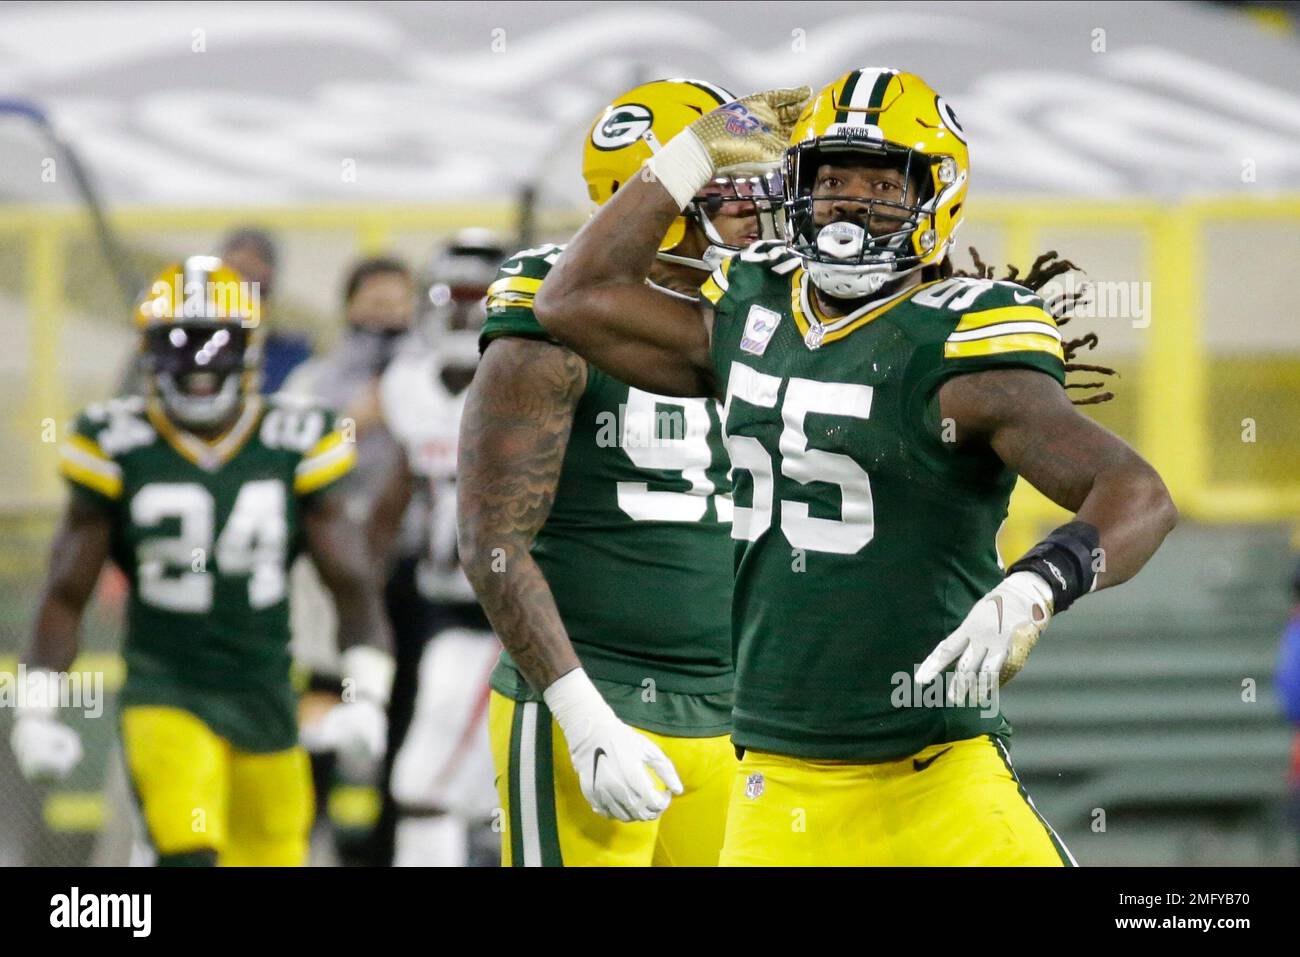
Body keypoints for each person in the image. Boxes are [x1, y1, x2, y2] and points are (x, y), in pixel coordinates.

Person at [531, 68, 1178, 865]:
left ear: (936, 198)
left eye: (883, 184)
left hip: (938, 774)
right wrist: (694, 154)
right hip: (777, 779)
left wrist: (1038, 584)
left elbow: (1138, 493)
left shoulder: (959, 343)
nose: (850, 204)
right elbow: (570, 299)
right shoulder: (752, 304)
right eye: (831, 180)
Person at [456, 78, 779, 866]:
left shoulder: (762, 308)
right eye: (730, 189)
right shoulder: (546, 318)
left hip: (737, 709)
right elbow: (492, 540)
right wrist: (581, 714)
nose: (757, 209)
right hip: (596, 696)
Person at [9, 257, 394, 866]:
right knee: (186, 852)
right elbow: (65, 590)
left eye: (217, 343)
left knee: (273, 857)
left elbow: (350, 582)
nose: (198, 364)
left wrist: (366, 694)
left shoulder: (294, 438)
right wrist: (35, 711)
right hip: (166, 688)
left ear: (251, 347)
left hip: (267, 695)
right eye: (179, 343)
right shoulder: (116, 442)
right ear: (147, 350)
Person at [367, 229, 510, 866]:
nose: (464, 313)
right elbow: (389, 505)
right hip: (443, 613)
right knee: (446, 791)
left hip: (518, 616)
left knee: (431, 784)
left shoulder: (534, 378)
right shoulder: (409, 385)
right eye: (453, 296)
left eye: (478, 297)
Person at [220, 227, 312, 394]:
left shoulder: (291, 350)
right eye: (234, 271)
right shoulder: (196, 343)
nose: (240, 282)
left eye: (247, 272)